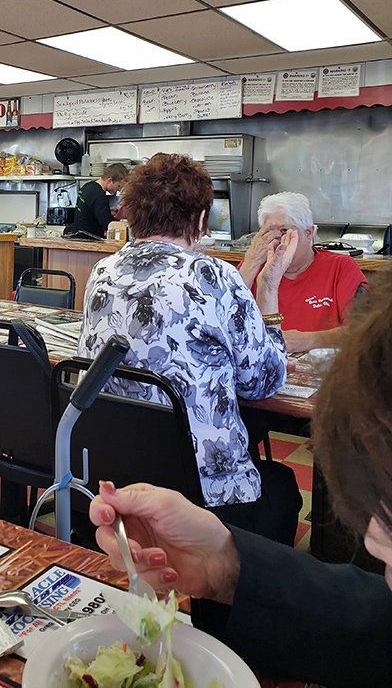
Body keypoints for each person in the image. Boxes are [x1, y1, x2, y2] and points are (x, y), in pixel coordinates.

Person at [89, 273, 392, 688]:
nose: (373, 540)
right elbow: (377, 623)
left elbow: (267, 379)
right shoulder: (217, 278)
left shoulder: (105, 273)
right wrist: (223, 563)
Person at [79, 153, 301, 545]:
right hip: (201, 489)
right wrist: (268, 289)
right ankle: (233, 596)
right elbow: (263, 382)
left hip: (119, 473)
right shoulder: (212, 274)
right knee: (283, 485)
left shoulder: (103, 270)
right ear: (200, 221)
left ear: (133, 214)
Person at [239, 192, 367, 352]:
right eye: (268, 232)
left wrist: (308, 340)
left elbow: (364, 331)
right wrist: (250, 263)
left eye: (284, 230)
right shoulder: (253, 266)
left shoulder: (341, 267)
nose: (276, 239)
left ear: (309, 233)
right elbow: (221, 321)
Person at [68, 162, 129, 237]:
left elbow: (89, 211)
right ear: (110, 180)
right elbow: (107, 224)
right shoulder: (100, 196)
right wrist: (125, 223)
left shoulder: (88, 186)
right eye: (118, 186)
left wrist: (107, 211)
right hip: (89, 240)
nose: (118, 190)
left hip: (78, 235)